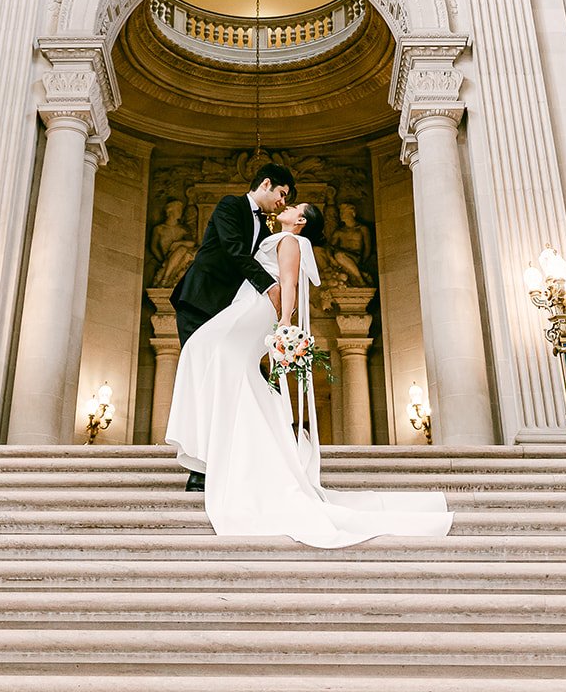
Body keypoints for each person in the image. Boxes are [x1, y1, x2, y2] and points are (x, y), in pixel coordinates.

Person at [166, 199, 453, 548]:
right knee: (229, 370)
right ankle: (236, 452)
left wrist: (285, 324)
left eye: (293, 205)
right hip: (247, 305)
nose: (285, 205)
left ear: (300, 219)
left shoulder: (290, 242)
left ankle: (217, 456)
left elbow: (289, 284)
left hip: (258, 309)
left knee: (203, 348)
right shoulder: (281, 238)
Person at [169, 160, 294, 490]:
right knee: (205, 380)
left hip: (228, 311)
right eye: (281, 194)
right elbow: (234, 249)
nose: (282, 202)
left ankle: (231, 459)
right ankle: (199, 468)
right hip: (199, 302)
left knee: (229, 381)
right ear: (265, 184)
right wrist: (271, 287)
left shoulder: (266, 230)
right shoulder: (230, 205)